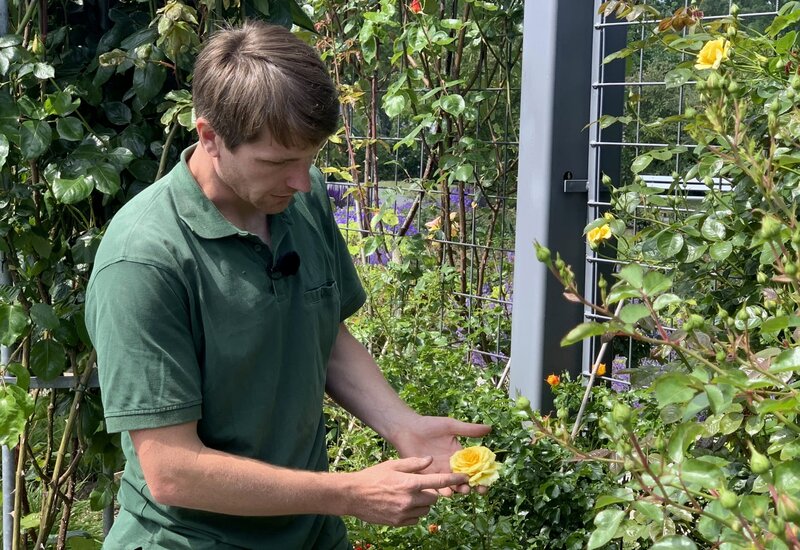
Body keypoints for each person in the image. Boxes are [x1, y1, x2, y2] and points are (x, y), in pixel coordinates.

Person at [85, 20, 491, 549]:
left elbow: (323, 336)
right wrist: (347, 493)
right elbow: (172, 469)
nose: (302, 181)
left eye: (311, 157)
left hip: (310, 535)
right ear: (209, 137)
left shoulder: (299, 196)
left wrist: (404, 425)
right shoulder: (144, 260)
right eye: (279, 162)